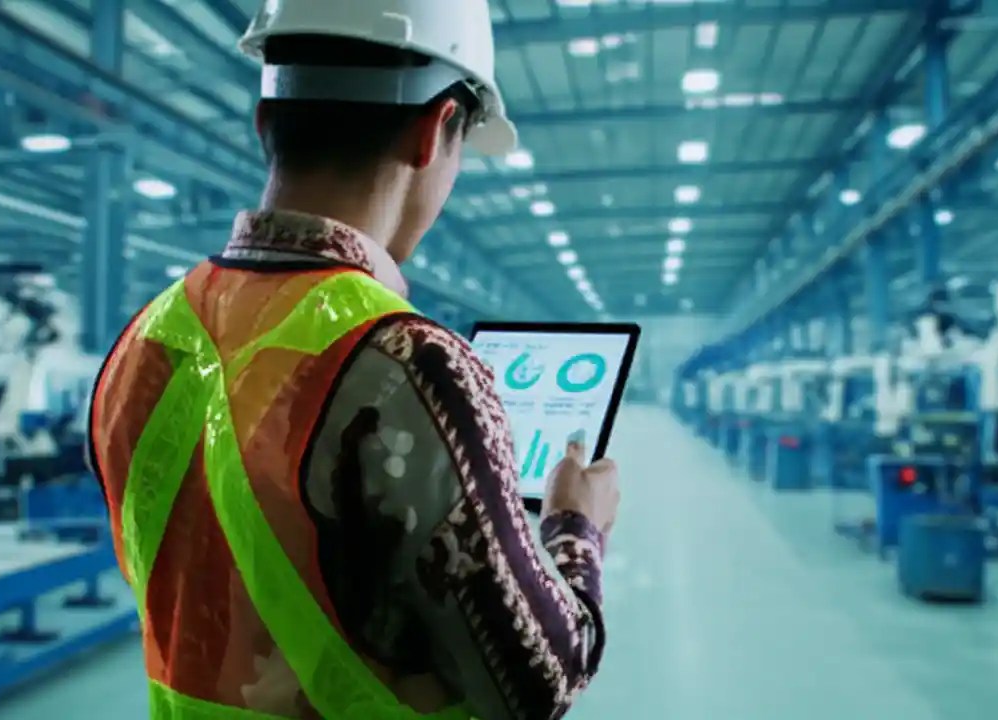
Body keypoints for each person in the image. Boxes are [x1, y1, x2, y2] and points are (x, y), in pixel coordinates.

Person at [87, 1, 620, 718]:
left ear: (264, 123)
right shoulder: (409, 361)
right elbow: (540, 681)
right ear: (436, 133)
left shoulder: (144, 338)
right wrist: (576, 528)